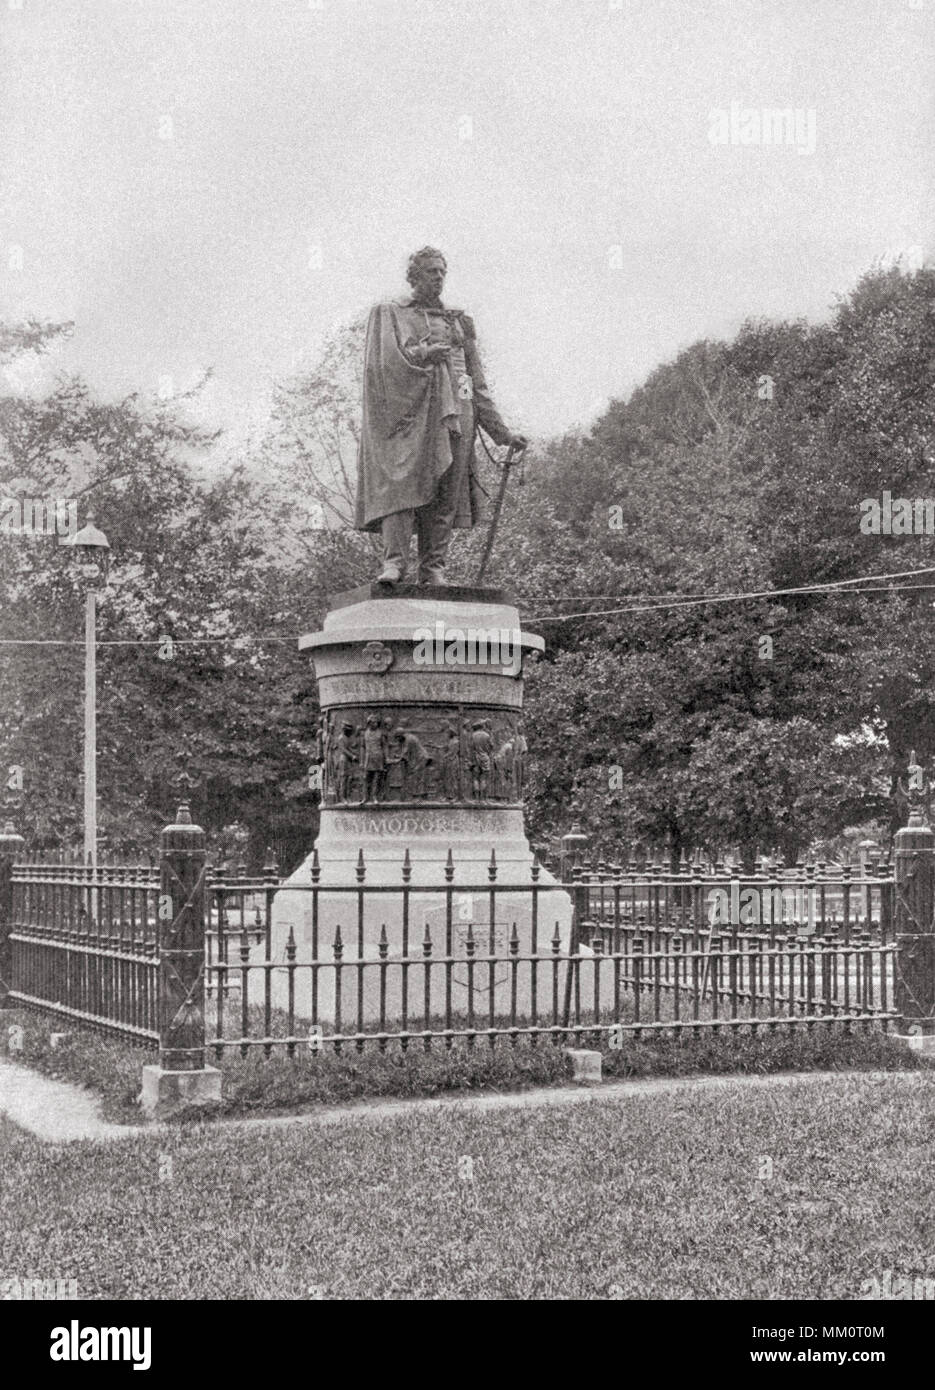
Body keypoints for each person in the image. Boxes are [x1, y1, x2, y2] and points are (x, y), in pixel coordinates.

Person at [355, 247, 527, 585]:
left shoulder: (459, 320)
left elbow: (475, 382)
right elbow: (382, 367)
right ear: (415, 276)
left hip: (458, 406)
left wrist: (501, 433)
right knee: (401, 487)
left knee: (448, 488)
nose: (438, 277)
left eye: (442, 272)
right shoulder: (392, 312)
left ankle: (434, 567)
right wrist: (423, 355)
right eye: (431, 271)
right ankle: (394, 563)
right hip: (411, 412)